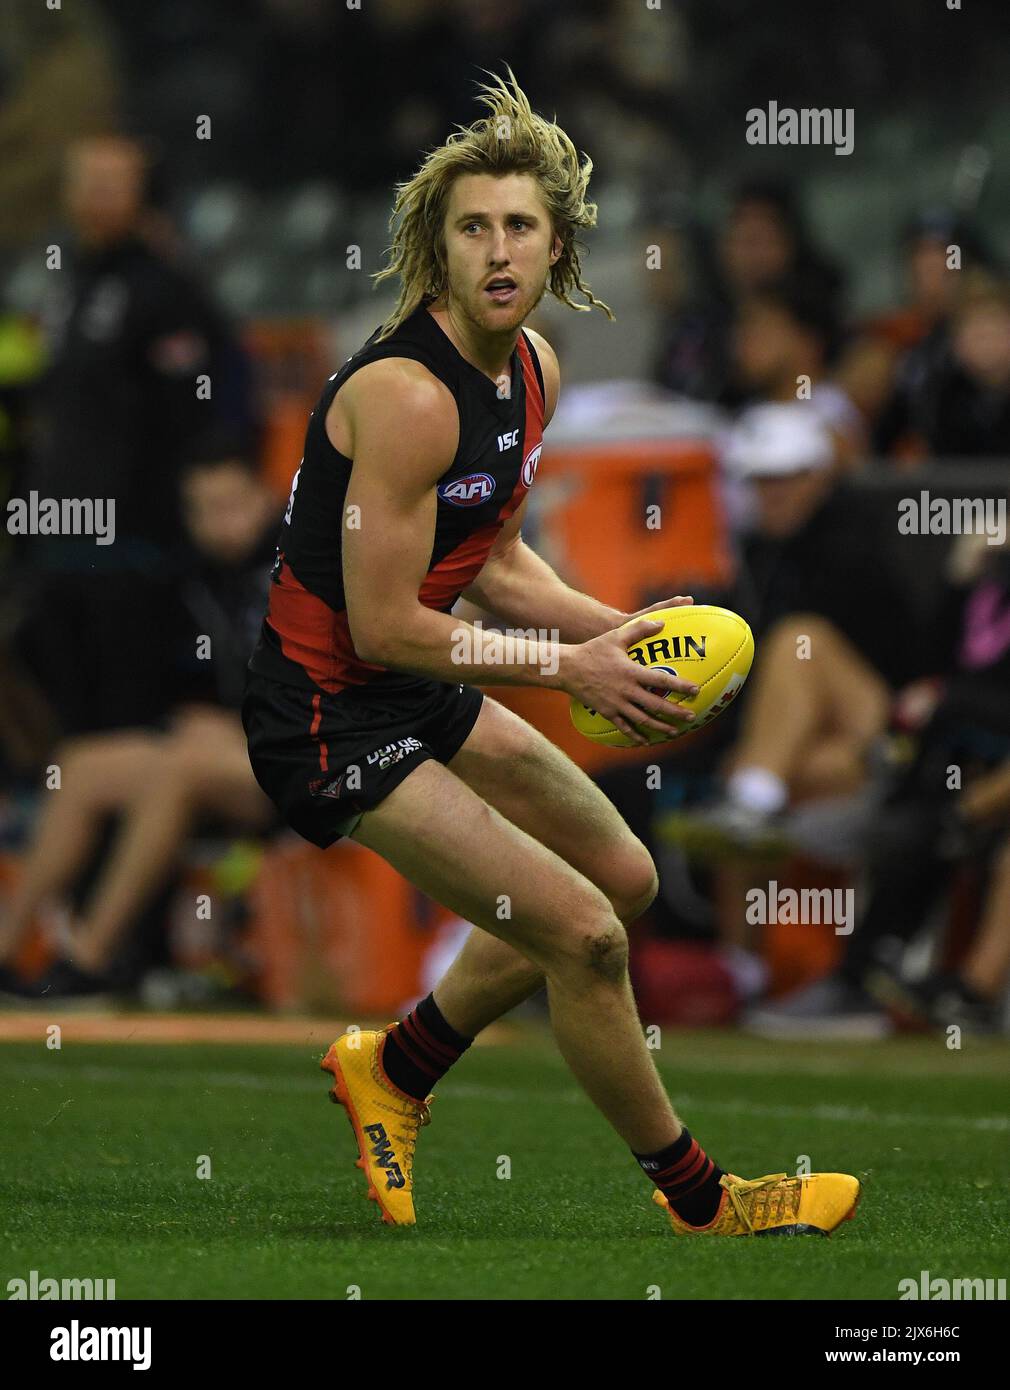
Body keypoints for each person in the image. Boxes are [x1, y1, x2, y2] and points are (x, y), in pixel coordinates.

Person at [242, 68, 859, 1237]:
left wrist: (606, 628)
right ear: (436, 247)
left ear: (557, 241)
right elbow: (382, 626)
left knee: (624, 875)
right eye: (470, 227)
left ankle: (400, 1067)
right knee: (582, 933)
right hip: (329, 712)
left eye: (518, 224)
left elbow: (495, 557)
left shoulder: (530, 372)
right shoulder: (408, 397)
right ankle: (702, 1197)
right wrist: (567, 670)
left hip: (414, 683)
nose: (496, 248)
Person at [0, 443, 278, 999]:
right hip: (227, 746)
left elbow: (336, 678)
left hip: (302, 755)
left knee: (176, 769)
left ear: (264, 498)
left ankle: (89, 960)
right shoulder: (198, 580)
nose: (217, 524)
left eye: (230, 505)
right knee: (82, 766)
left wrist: (243, 724)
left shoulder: (303, 562)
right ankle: (6, 950)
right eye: (202, 509)